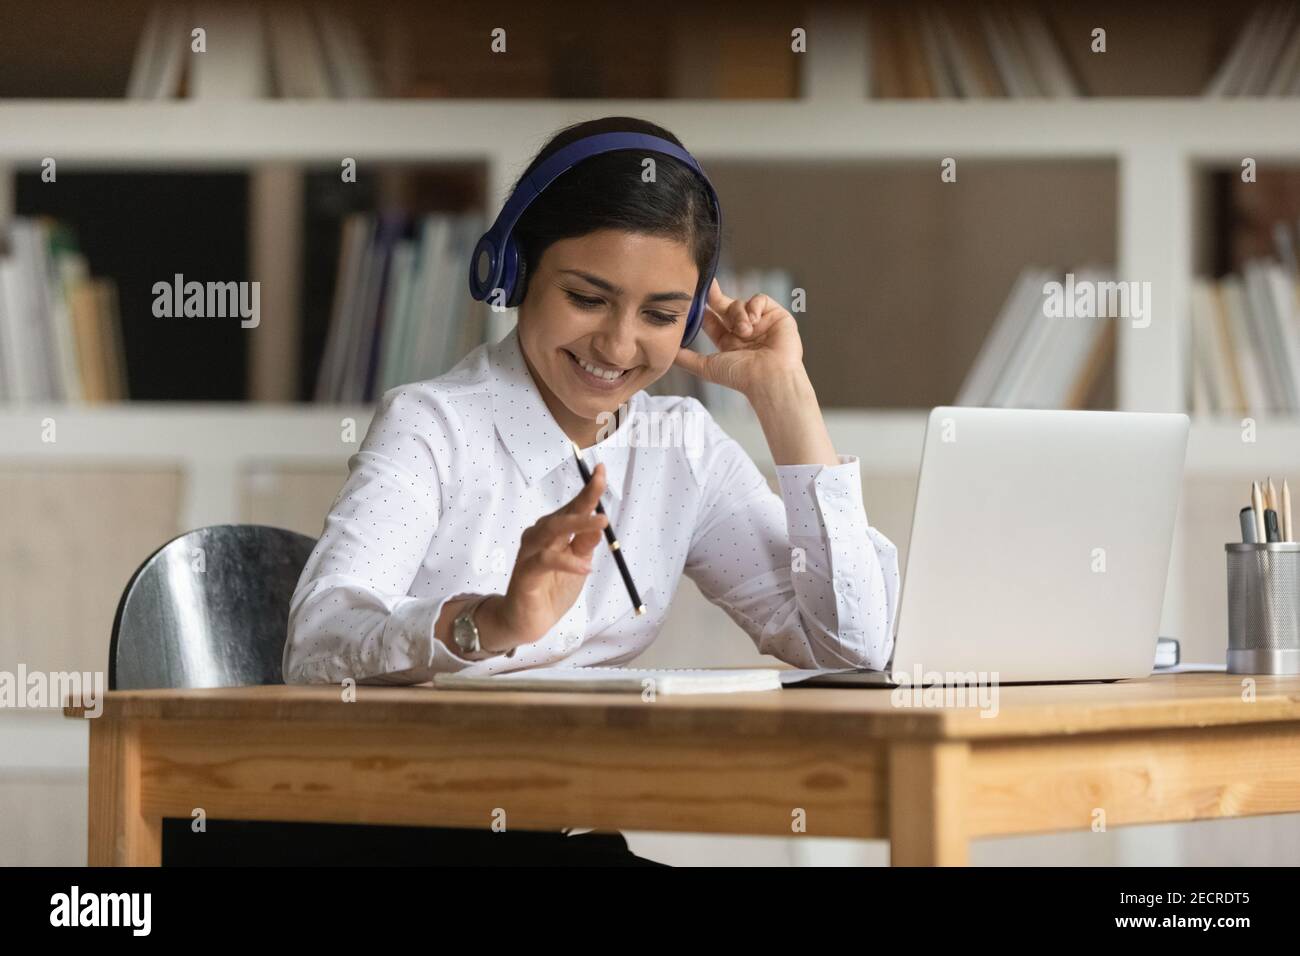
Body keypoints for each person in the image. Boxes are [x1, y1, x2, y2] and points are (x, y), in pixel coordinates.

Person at [281, 115, 901, 865]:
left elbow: (851, 645)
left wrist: (787, 401)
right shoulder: (433, 427)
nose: (617, 345)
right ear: (515, 271)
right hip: (408, 831)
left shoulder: (683, 447)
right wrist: (489, 621)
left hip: (569, 832)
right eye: (587, 297)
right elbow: (316, 647)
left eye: (661, 314)